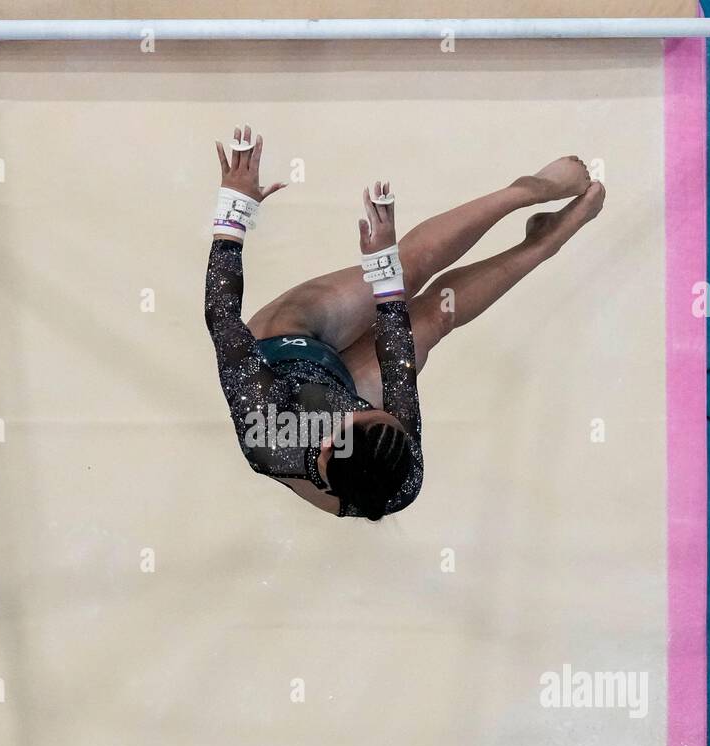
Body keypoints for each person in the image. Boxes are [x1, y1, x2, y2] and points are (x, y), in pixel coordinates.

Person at [205, 126, 605, 519]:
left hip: (285, 345)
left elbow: (221, 316)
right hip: (338, 399)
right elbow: (397, 365)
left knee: (407, 266)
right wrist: (383, 275)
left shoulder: (269, 423)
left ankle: (526, 190)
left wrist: (235, 207)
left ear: (328, 444)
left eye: (369, 412)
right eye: (386, 414)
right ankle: (544, 241)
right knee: (434, 313)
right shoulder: (401, 470)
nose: (386, 409)